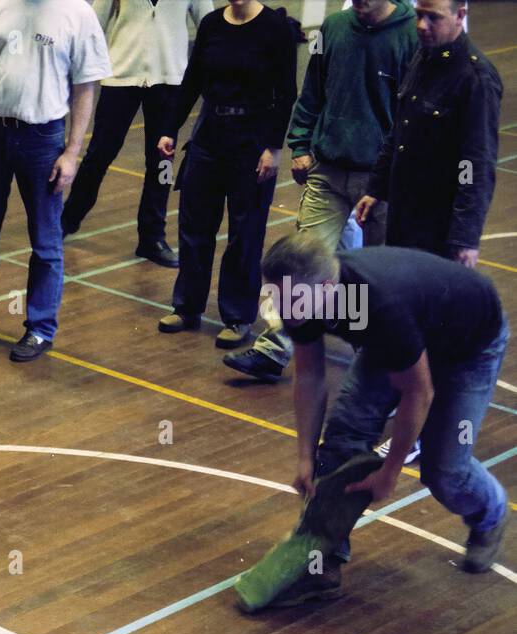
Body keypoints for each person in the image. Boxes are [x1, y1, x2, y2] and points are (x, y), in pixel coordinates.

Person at [266, 232, 509, 599]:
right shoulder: (302, 293)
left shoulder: (378, 306)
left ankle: (490, 514)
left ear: (329, 287)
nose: (283, 308)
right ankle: (324, 558)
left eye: (291, 300)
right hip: (404, 337)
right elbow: (310, 375)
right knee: (343, 437)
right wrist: (303, 455)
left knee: (444, 470)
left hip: (468, 345)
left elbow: (418, 391)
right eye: (276, 296)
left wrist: (390, 473)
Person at [224, 0, 418, 384]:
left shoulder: (411, 36)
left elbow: (412, 116)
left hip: (380, 182)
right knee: (304, 262)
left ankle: (375, 364)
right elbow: (312, 91)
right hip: (328, 171)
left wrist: (390, 178)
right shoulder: (334, 28)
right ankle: (274, 349)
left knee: (375, 276)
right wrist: (299, 144)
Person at [0, 0, 110, 363]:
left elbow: (86, 86)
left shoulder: (78, 13)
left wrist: (72, 152)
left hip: (42, 140)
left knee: (46, 241)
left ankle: (39, 328)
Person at [155, 0, 297, 351]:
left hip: (252, 140)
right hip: (209, 136)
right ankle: (187, 307)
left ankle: (237, 316)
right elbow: (192, 80)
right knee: (194, 227)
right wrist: (170, 128)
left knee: (244, 232)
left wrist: (273, 147)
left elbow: (286, 93)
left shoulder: (275, 28)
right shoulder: (212, 24)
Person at [61, 0, 215, 269]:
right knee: (99, 154)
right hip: (120, 78)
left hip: (170, 82)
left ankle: (152, 237)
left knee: (162, 163)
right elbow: (93, 23)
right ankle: (67, 220)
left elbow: (210, 26)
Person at [353, 0, 500, 266]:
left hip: (439, 227)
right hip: (404, 215)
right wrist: (376, 188)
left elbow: (476, 165)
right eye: (419, 15)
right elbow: (401, 130)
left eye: (433, 18)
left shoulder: (476, 79)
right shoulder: (424, 55)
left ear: (460, 16)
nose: (422, 25)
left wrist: (465, 238)